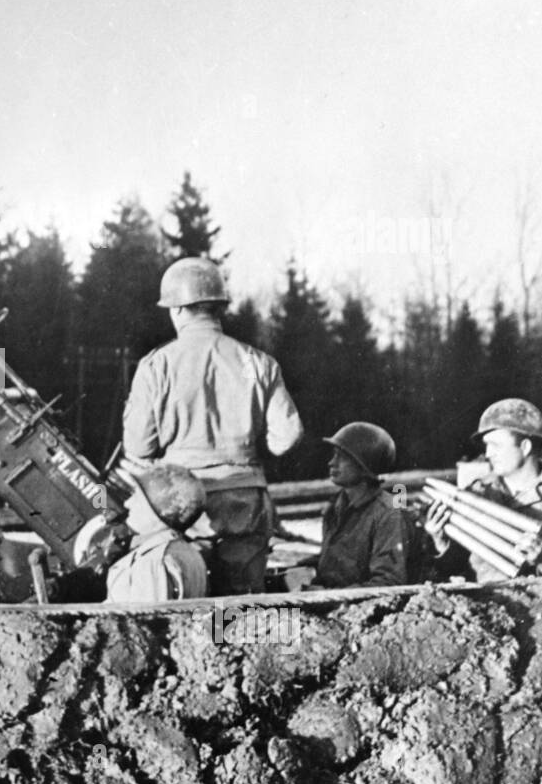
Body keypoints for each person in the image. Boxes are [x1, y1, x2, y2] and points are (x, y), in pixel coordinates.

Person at [122, 257, 303, 594]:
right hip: (245, 499)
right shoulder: (258, 362)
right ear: (219, 308)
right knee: (241, 604)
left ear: (176, 310)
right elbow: (286, 437)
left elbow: (138, 447)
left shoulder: (157, 365)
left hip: (182, 503)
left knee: (187, 598)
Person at [424, 399, 542, 581]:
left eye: (496, 445)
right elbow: (453, 569)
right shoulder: (476, 493)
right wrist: (440, 541)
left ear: (525, 447)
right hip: (485, 603)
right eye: (486, 446)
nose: (487, 454)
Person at [311, 422, 410, 588]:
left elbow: (389, 581)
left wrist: (330, 596)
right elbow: (332, 562)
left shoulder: (388, 514)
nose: (331, 463)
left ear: (365, 465)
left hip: (356, 607)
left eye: (341, 457)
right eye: (334, 455)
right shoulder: (335, 505)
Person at [105, 462, 209, 603]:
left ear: (158, 512)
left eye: (137, 498)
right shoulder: (184, 552)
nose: (127, 504)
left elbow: (148, 622)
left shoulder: (152, 562)